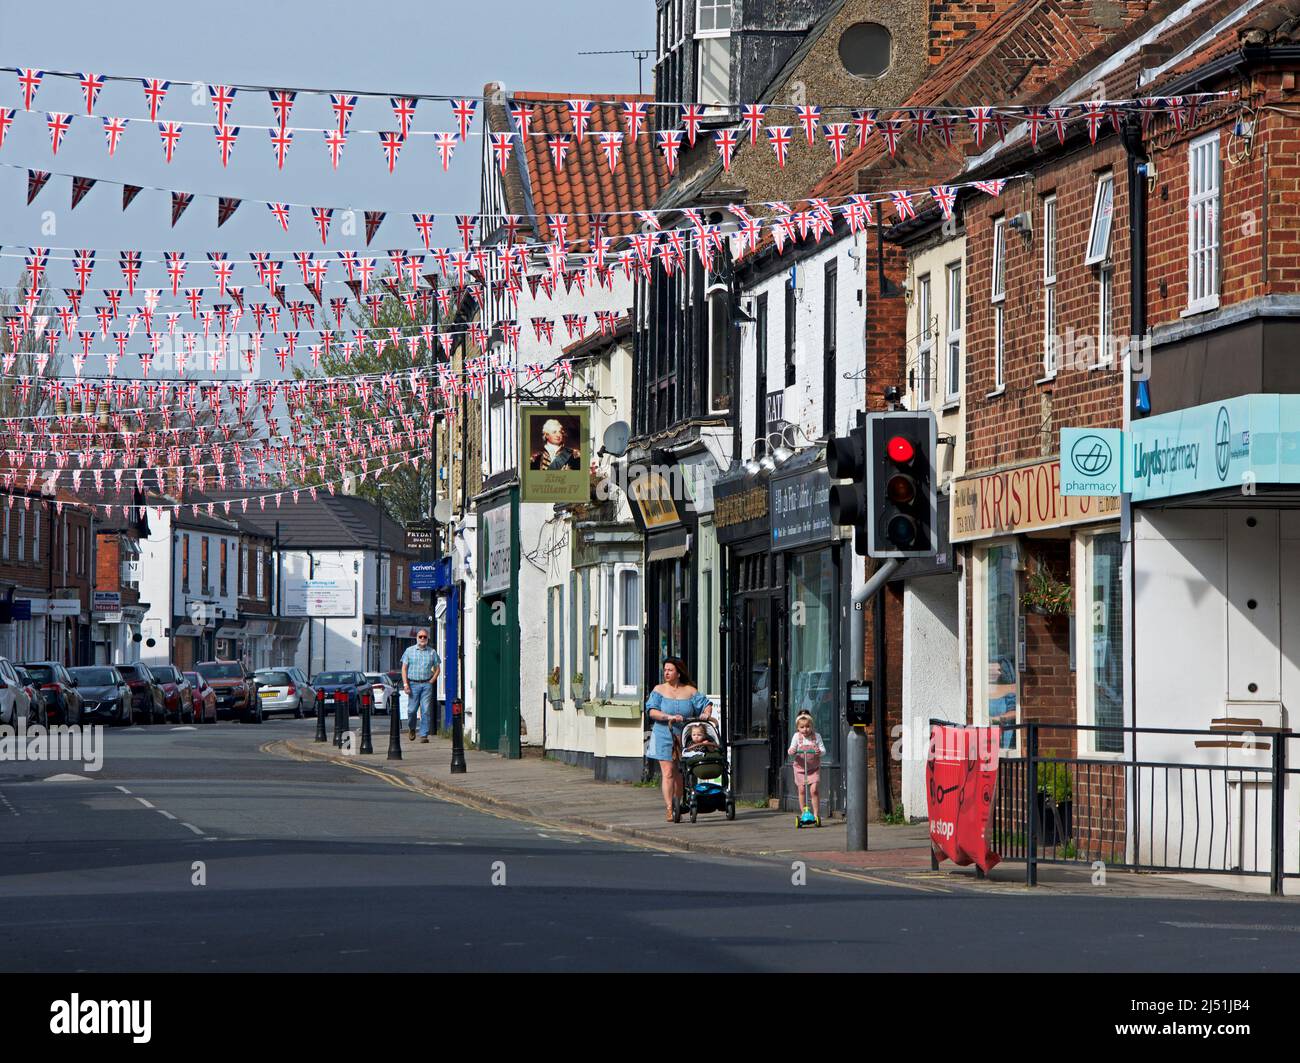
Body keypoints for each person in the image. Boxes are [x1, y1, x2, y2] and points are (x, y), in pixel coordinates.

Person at [644, 657, 711, 822]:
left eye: (670, 670)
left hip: (684, 735)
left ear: (678, 673)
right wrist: (669, 716)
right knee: (668, 773)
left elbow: (706, 704)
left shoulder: (690, 690)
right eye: (665, 670)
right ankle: (669, 808)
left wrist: (705, 714)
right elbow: (651, 711)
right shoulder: (658, 690)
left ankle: (678, 804)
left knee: (680, 772)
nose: (666, 673)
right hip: (663, 733)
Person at [400, 629, 441, 743]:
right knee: (411, 710)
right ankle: (412, 728)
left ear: (428, 639)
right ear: (417, 638)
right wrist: (405, 684)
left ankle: (423, 734)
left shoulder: (432, 652)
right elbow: (404, 668)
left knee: (425, 709)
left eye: (425, 637)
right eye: (420, 637)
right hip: (412, 684)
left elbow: (438, 669)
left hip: (426, 684)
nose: (422, 639)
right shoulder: (409, 651)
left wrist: (432, 680)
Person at [788, 712, 826, 826]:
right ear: (798, 728)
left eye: (808, 726)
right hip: (800, 768)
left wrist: (819, 752)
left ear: (812, 726)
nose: (805, 729)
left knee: (814, 790)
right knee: (802, 790)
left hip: (813, 768)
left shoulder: (816, 736)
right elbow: (791, 749)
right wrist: (792, 752)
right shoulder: (796, 737)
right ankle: (804, 811)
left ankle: (815, 814)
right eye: (802, 727)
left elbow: (823, 751)